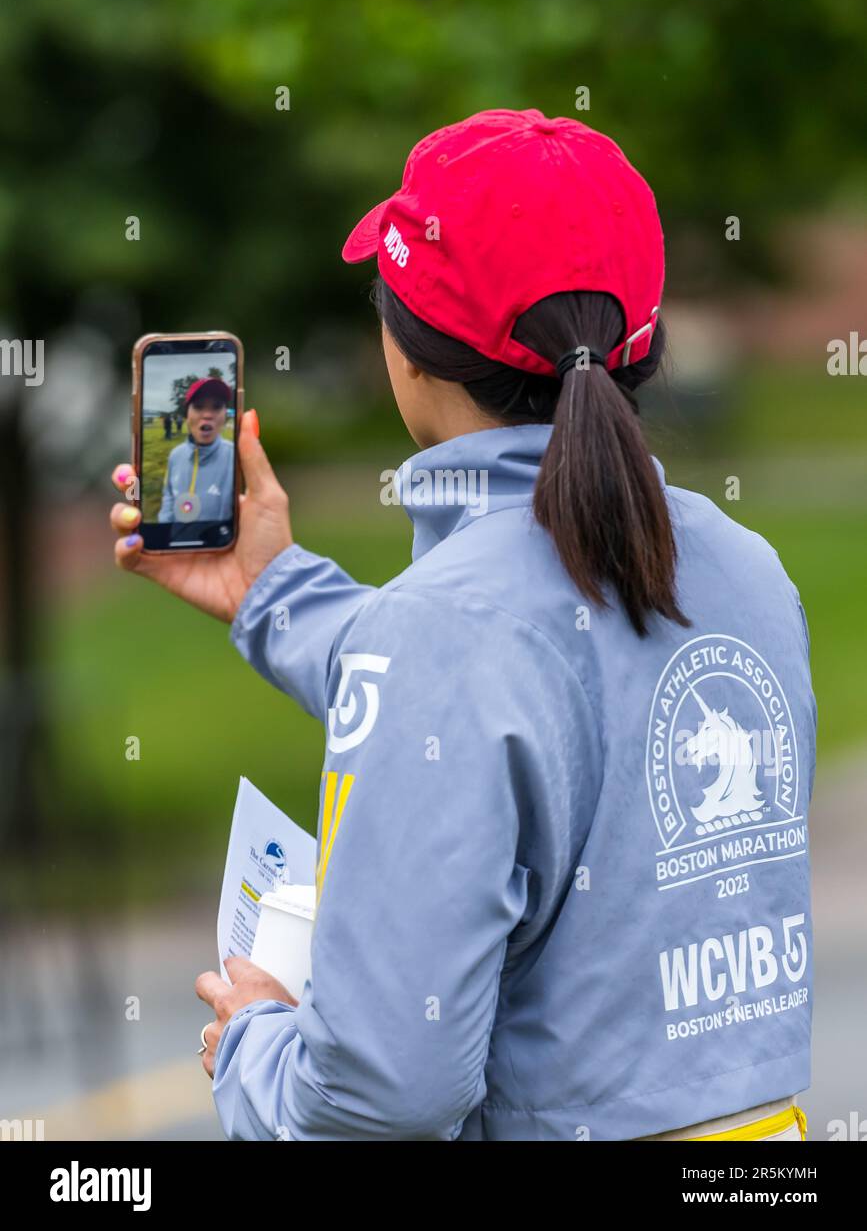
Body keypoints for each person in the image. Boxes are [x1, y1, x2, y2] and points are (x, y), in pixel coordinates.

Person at [111, 109, 815, 1142]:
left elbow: (376, 1096)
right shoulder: (748, 571)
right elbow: (529, 681)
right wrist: (271, 591)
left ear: (410, 352)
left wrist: (256, 1041)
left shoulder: (442, 634)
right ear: (644, 343)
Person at [156, 378, 235, 523]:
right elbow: (168, 497)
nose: (207, 415)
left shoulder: (236, 457)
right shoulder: (175, 455)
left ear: (225, 416)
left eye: (216, 407)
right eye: (198, 407)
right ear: (187, 415)